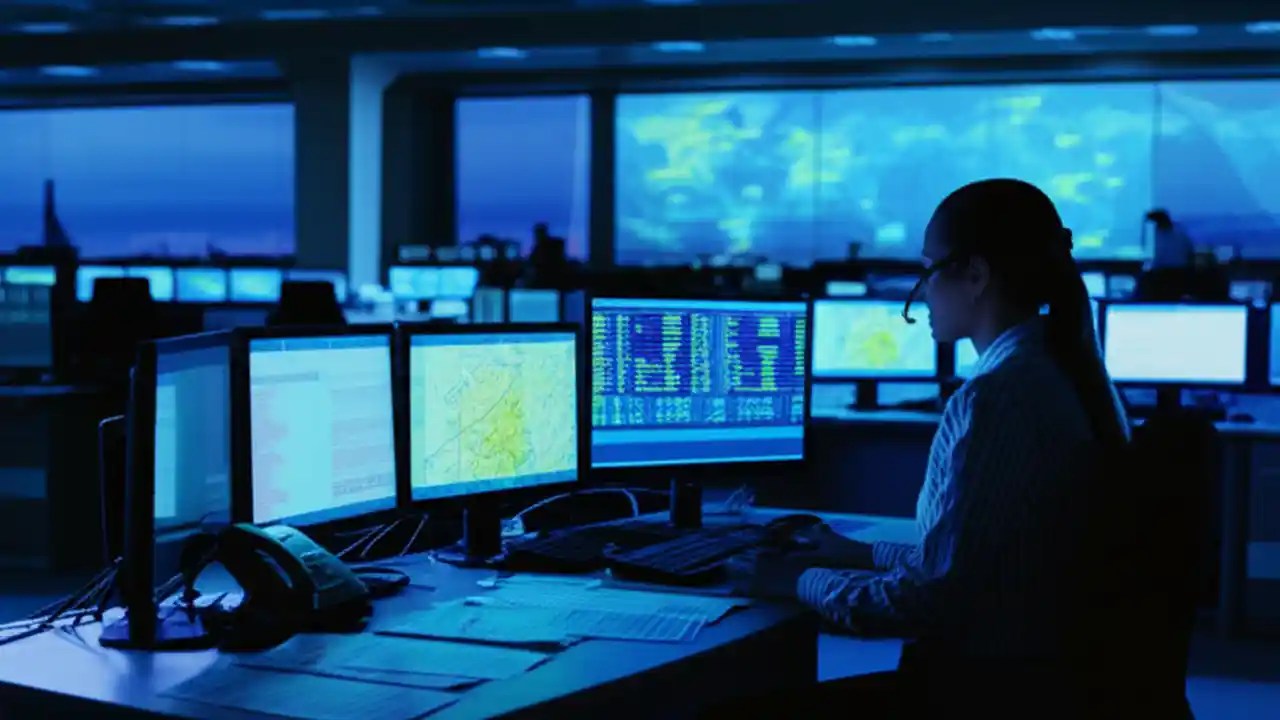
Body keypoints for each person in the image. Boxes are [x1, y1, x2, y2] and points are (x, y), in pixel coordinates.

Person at [726, 179, 1131, 717]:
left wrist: (796, 579)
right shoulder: (1059, 371)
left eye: (928, 269)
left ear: (976, 275)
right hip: (1031, 683)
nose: (920, 292)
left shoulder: (996, 399)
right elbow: (974, 565)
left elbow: (931, 603)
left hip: (978, 693)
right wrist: (858, 554)